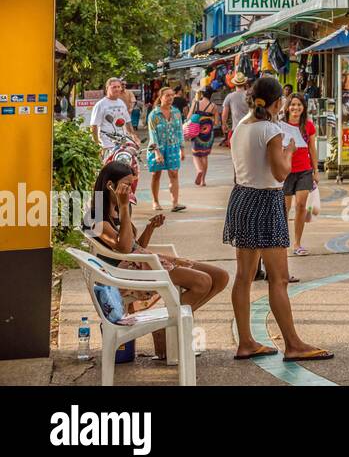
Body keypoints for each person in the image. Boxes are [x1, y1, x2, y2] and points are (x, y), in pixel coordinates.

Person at [225, 74, 332, 362]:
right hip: (265, 200)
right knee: (279, 278)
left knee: (244, 277)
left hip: (242, 198)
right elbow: (281, 173)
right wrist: (288, 150)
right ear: (276, 102)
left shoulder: (240, 127)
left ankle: (246, 341)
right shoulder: (270, 130)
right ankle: (293, 344)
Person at [87, 161, 228, 361]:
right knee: (202, 282)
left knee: (220, 277)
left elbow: (134, 244)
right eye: (126, 184)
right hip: (125, 273)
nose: (130, 189)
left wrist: (150, 228)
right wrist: (125, 206)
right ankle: (166, 325)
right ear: (110, 185)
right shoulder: (94, 217)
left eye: (132, 184)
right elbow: (124, 248)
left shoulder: (120, 208)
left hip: (143, 261)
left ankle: (167, 323)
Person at [281, 93, 318, 256]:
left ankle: (297, 243)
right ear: (287, 107)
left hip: (304, 170)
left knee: (301, 205)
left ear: (304, 108)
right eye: (293, 105)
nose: (296, 108)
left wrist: (315, 170)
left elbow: (312, 148)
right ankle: (281, 242)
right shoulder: (280, 124)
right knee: (284, 209)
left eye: (299, 105)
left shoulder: (308, 125)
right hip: (286, 171)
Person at [146, 86, 186, 213]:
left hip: (173, 147)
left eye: (172, 95)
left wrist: (182, 148)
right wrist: (157, 152)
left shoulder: (176, 113)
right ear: (161, 97)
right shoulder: (154, 114)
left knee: (174, 173)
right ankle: (155, 201)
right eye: (167, 95)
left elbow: (179, 131)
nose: (170, 98)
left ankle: (175, 203)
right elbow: (152, 134)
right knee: (156, 174)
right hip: (157, 147)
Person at [90, 77, 138, 154]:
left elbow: (127, 122)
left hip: (122, 141)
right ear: (107, 88)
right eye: (114, 87)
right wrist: (96, 144)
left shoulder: (121, 103)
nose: (117, 89)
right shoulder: (100, 105)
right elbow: (94, 126)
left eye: (119, 87)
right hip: (107, 144)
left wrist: (133, 135)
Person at [187, 86, 218, 187]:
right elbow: (217, 122)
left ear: (202, 94)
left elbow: (188, 117)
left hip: (196, 131)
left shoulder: (196, 103)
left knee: (196, 154)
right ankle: (203, 180)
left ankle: (199, 170)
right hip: (208, 133)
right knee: (204, 156)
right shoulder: (213, 106)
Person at [222, 72, 250, 146]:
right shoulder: (250, 95)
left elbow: (225, 114)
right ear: (244, 83)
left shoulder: (230, 96)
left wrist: (224, 124)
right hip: (250, 127)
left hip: (236, 128)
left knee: (237, 151)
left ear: (234, 84)